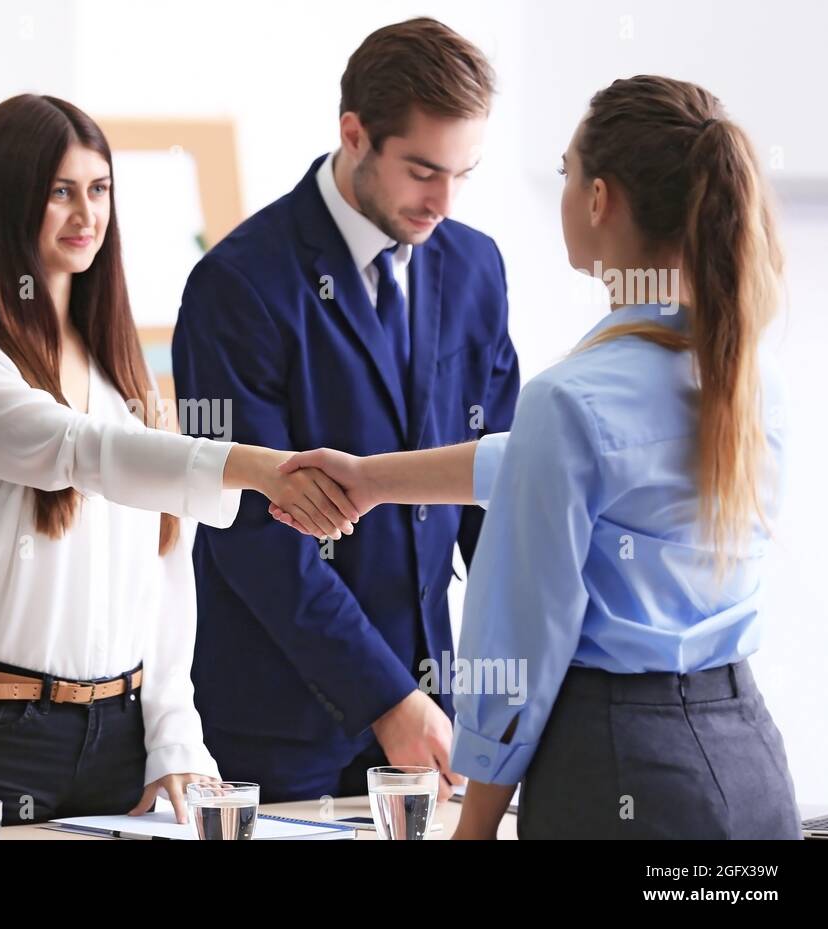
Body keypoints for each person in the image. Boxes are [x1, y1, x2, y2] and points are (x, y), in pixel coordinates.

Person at [275, 75, 802, 839]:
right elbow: (539, 464)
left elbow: (520, 642)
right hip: (750, 761)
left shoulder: (572, 398)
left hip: (623, 770)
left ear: (599, 199)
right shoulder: (750, 376)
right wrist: (372, 479)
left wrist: (475, 822)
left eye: (566, 172)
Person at [0, 94, 358, 833]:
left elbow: (169, 570)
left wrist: (174, 732)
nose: (86, 213)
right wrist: (258, 465)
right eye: (60, 191)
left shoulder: (128, 380)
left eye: (99, 188)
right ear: (5, 199)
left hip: (120, 736)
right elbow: (80, 451)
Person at [171, 17, 519, 804]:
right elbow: (251, 527)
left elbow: (496, 486)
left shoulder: (474, 266)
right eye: (424, 171)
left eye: (464, 174)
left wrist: (522, 674)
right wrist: (384, 697)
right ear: (354, 134)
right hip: (279, 721)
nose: (445, 200)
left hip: (438, 710)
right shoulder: (237, 284)